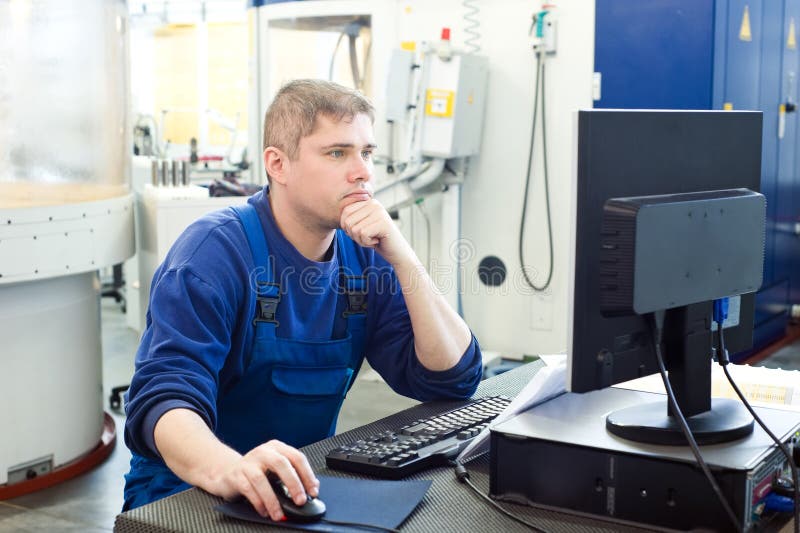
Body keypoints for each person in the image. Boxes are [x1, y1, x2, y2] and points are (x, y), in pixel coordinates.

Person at [122, 79, 483, 520]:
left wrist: (403, 257)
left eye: (366, 153)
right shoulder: (213, 254)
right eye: (337, 153)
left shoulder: (365, 258)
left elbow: (449, 380)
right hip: (188, 491)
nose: (363, 171)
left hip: (297, 487)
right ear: (278, 164)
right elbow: (164, 398)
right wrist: (231, 470)